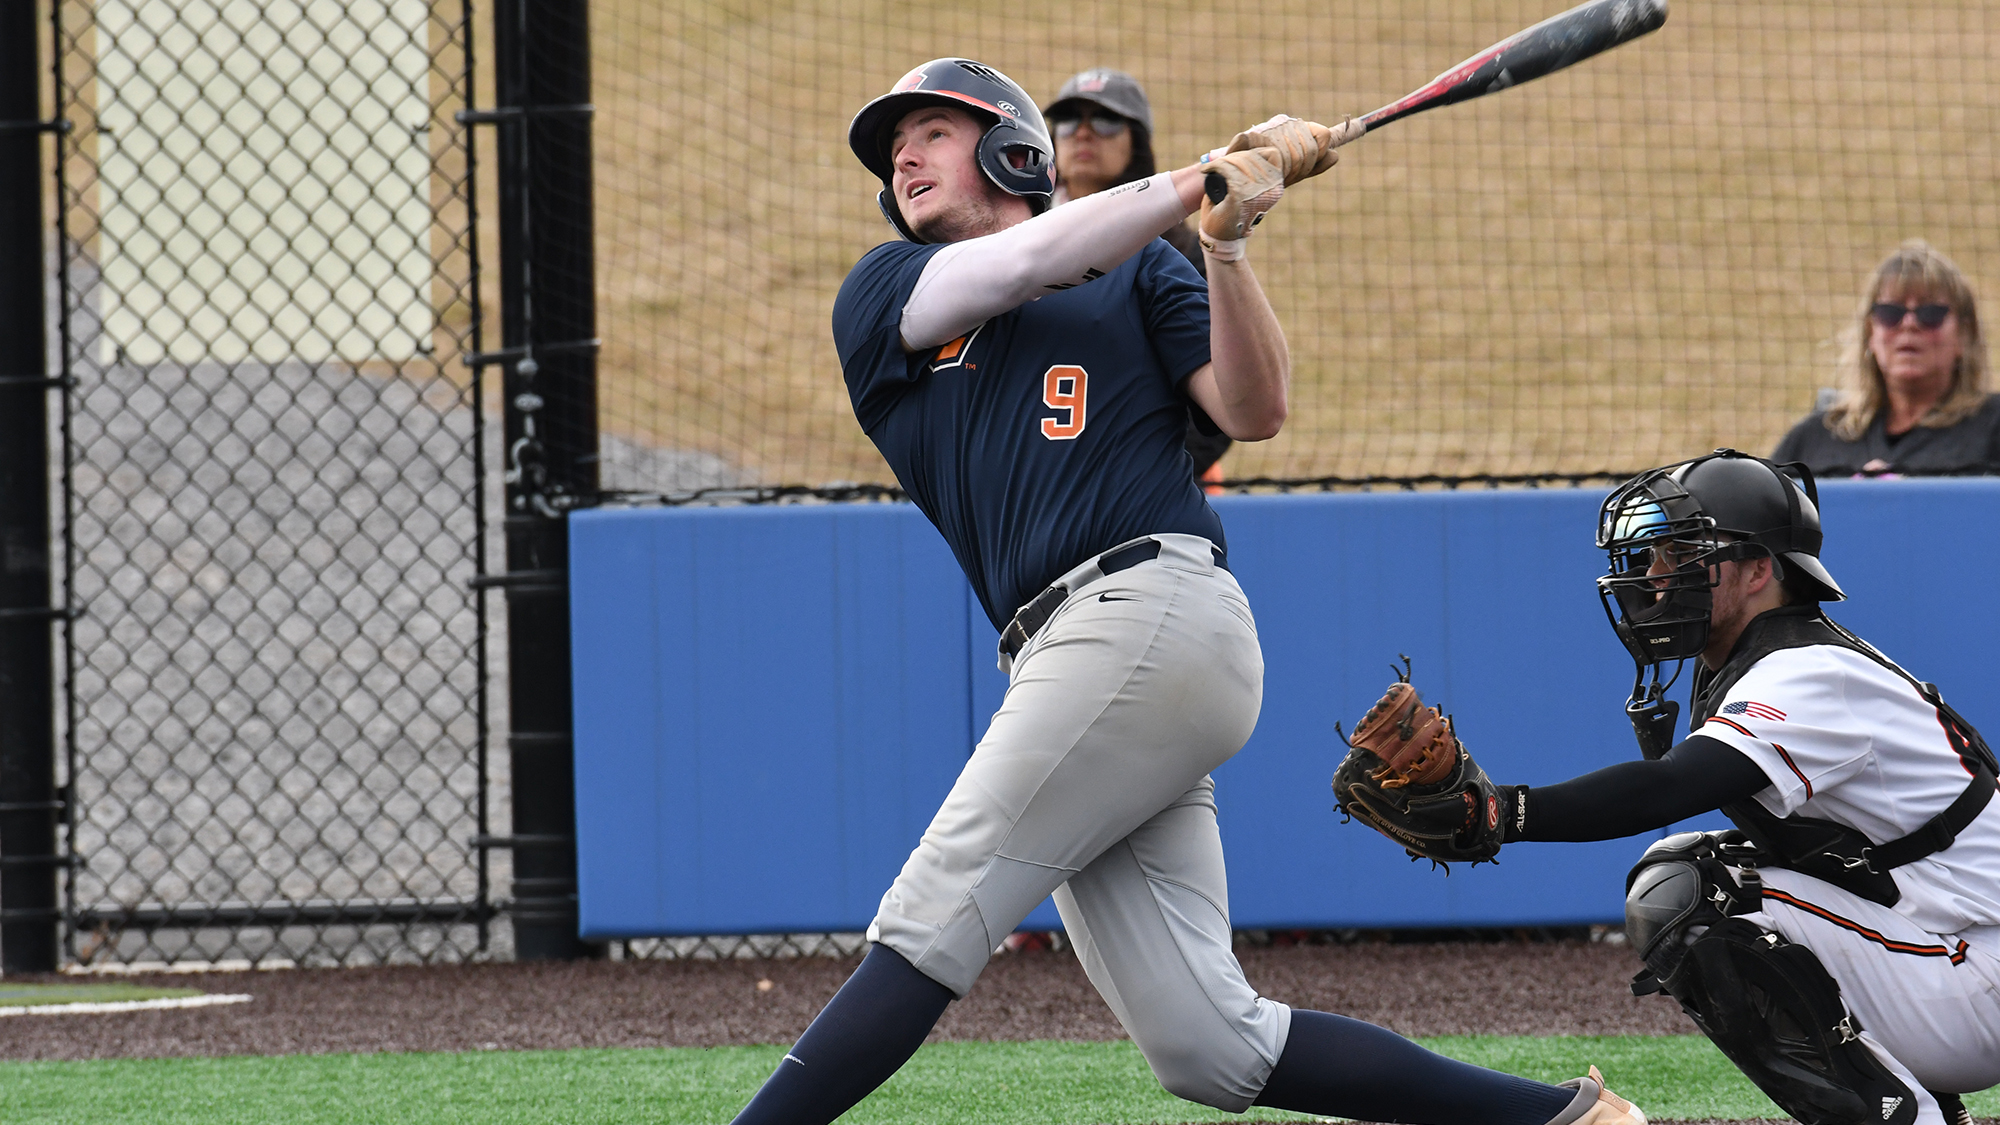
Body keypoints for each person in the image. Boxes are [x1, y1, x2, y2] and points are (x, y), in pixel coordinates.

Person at [725, 56, 1644, 1125]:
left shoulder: (1136, 276)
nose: (905, 155)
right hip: (1066, 653)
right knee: (1209, 1047)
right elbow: (1023, 262)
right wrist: (1201, 174)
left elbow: (1251, 409)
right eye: (897, 148)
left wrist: (1226, 243)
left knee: (933, 908)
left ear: (1009, 151)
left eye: (932, 130)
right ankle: (1563, 1121)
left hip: (1146, 613)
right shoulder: (886, 291)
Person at [1476, 450, 2000, 1125]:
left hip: (1976, 968)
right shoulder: (1769, 657)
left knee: (1690, 888)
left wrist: (1499, 811)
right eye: (1655, 554)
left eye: (1684, 552)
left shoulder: (1806, 672)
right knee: (1701, 866)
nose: (1658, 575)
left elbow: (1664, 789)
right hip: (1948, 952)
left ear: (1760, 569)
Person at [1043, 66, 1233, 491]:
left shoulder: (1182, 251)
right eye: (1069, 120)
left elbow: (1225, 391)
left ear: (1138, 140)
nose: (1084, 134)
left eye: (1106, 120)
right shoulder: (1011, 241)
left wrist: (1143, 478)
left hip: (1145, 497)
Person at [1774, 240, 2000, 476]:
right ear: (1870, 333)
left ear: (1964, 333)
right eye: (1890, 313)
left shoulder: (1993, 427)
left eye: (1930, 314)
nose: (1909, 324)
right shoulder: (1816, 438)